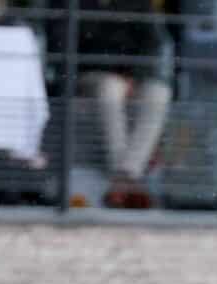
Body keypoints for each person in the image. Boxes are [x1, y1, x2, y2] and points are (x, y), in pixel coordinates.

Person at [66, 0, 175, 208]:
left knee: (159, 93)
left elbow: (153, 46)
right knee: (110, 88)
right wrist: (115, 72)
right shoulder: (76, 5)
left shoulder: (140, 6)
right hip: (90, 76)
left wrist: (134, 76)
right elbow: (66, 47)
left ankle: (125, 175)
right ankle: (123, 175)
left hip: (133, 77)